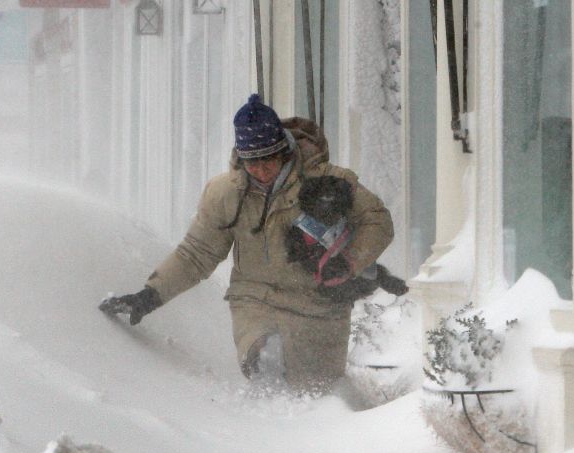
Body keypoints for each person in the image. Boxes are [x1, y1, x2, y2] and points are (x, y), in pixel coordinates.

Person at [101, 94, 394, 391]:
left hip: (319, 308)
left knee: (318, 395)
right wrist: (149, 296)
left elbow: (378, 222)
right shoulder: (225, 194)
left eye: (268, 160)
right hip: (255, 303)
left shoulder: (329, 182)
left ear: (284, 151)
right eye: (252, 162)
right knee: (267, 358)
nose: (261, 171)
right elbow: (196, 254)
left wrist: (349, 261)